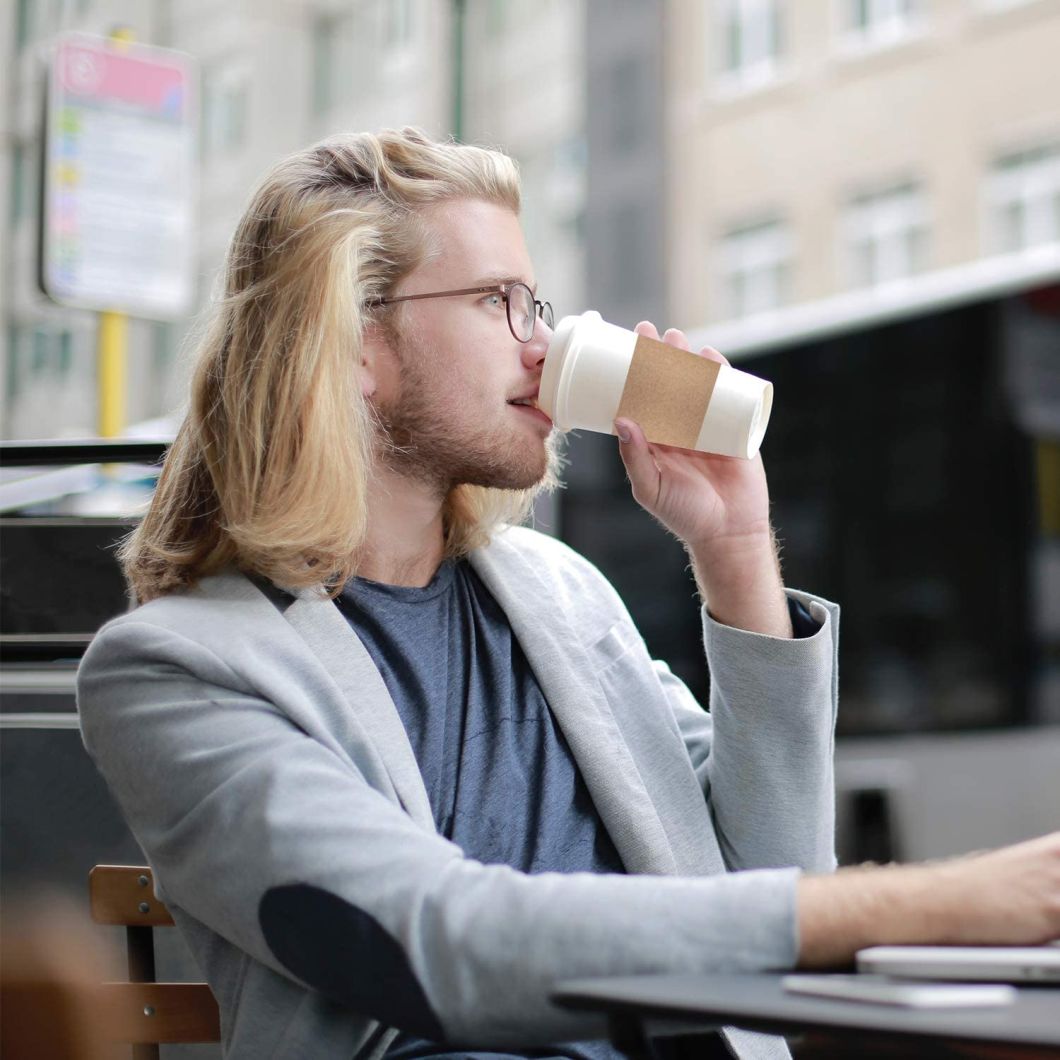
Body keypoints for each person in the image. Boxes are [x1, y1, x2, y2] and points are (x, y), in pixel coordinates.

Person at [77, 129, 1060, 1060]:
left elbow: (774, 878)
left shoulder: (561, 596)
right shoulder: (175, 667)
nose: (542, 346)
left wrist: (731, 549)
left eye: (537, 304)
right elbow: (440, 939)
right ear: (358, 347)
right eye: (500, 300)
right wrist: (945, 899)